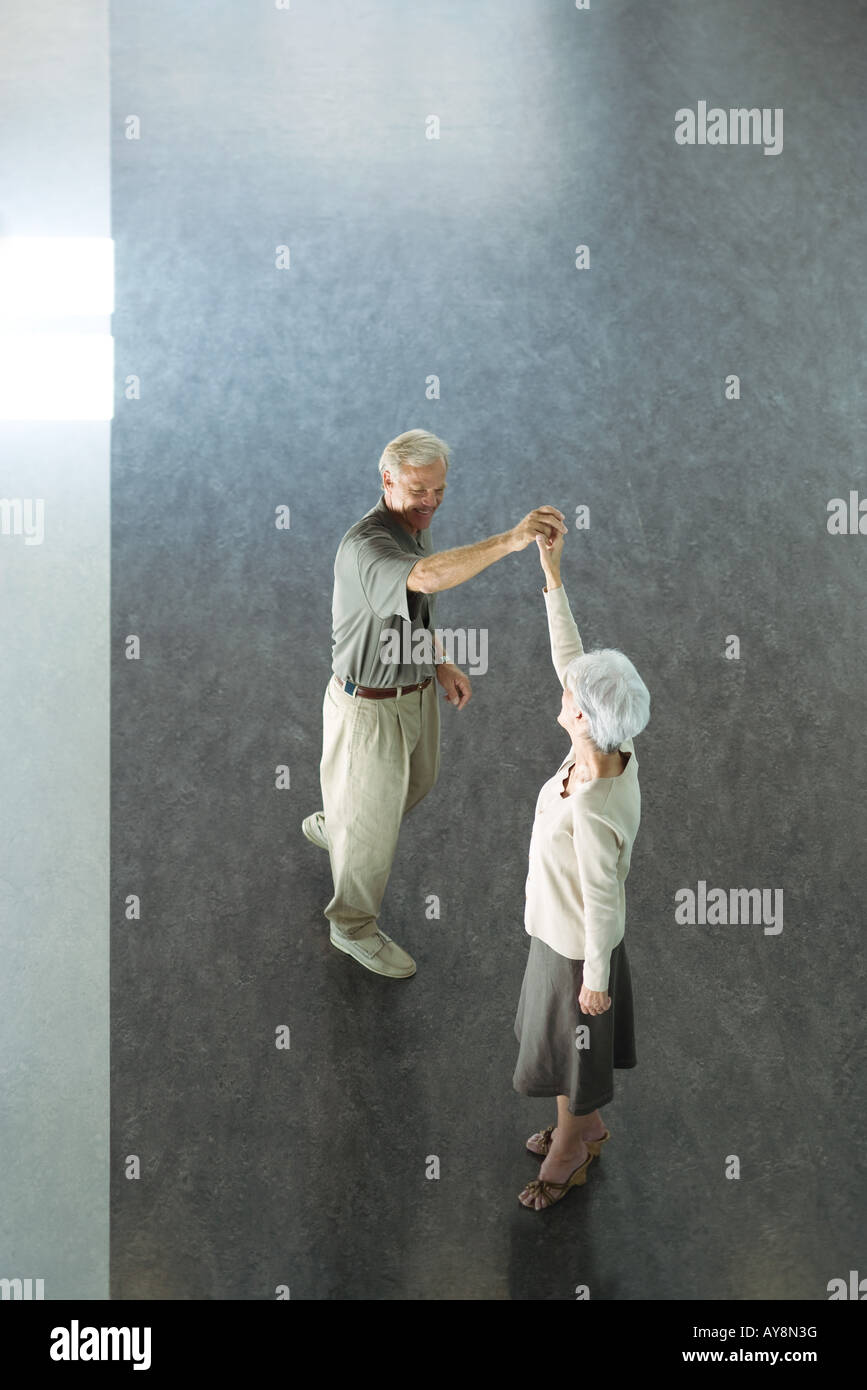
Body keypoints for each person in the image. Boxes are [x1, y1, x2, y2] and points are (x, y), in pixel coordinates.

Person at [303, 428, 567, 979]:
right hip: (369, 710)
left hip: (414, 690)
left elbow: (412, 609)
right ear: (387, 480)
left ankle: (343, 825)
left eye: (440, 491)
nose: (431, 503)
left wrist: (440, 661)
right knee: (374, 836)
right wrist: (510, 541)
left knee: (417, 784)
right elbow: (423, 578)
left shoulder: (412, 525)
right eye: (420, 491)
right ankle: (351, 924)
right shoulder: (368, 545)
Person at [513, 526, 650, 1210]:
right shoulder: (606, 744)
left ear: (584, 721)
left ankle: (570, 1151)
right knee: (571, 1052)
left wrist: (595, 980)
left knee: (572, 1051)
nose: (562, 692)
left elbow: (601, 898)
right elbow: (571, 660)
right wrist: (551, 576)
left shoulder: (595, 802)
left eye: (573, 697)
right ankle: (586, 1125)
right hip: (559, 931)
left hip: (575, 949)